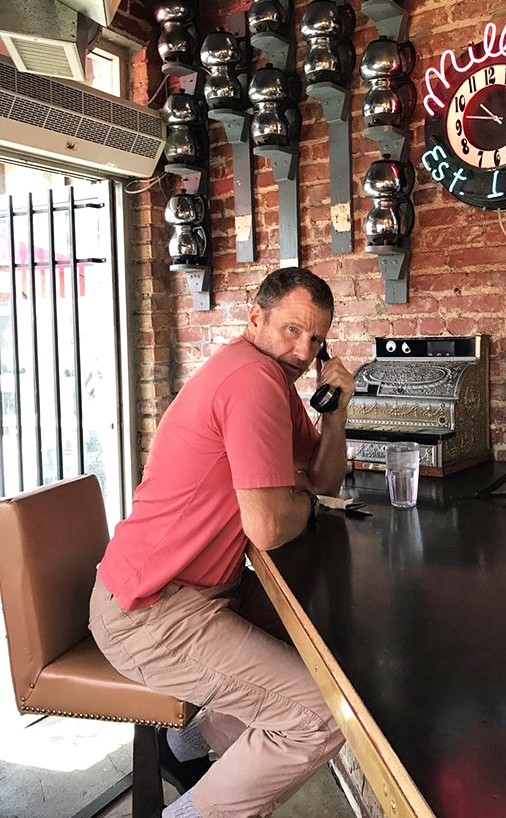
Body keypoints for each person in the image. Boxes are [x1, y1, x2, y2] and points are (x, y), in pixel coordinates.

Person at [89, 267, 355, 818]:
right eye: (291, 330)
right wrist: (301, 503)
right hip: (150, 615)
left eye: (316, 339)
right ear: (254, 317)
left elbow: (323, 480)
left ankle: (187, 744)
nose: (304, 350)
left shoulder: (274, 384)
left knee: (306, 639)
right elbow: (269, 524)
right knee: (325, 712)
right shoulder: (251, 379)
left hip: (187, 598)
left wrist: (336, 414)